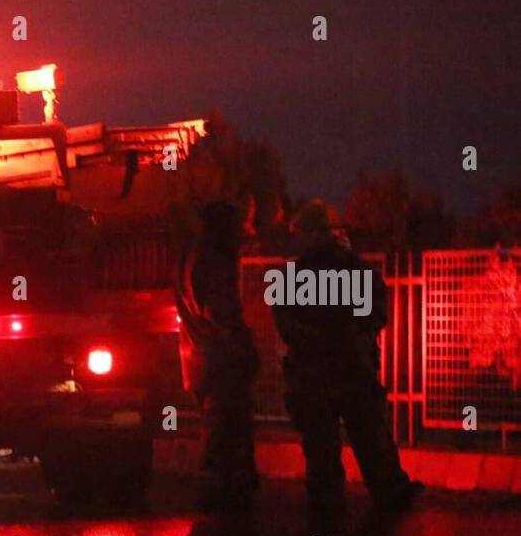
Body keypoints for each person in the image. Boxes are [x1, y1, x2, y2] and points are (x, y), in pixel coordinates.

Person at [271, 200, 422, 512]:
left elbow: (287, 327)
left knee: (321, 448)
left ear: (311, 234)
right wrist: (347, 339)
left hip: (310, 377)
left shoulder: (288, 277)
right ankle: (390, 493)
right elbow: (375, 317)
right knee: (371, 438)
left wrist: (316, 342)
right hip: (354, 371)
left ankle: (326, 511)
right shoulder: (360, 272)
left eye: (299, 233)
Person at [174, 198, 260, 511]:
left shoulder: (194, 253)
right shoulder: (212, 258)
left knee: (221, 426)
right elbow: (220, 309)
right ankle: (219, 498)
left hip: (201, 358)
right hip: (218, 360)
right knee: (223, 427)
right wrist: (242, 338)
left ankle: (226, 493)